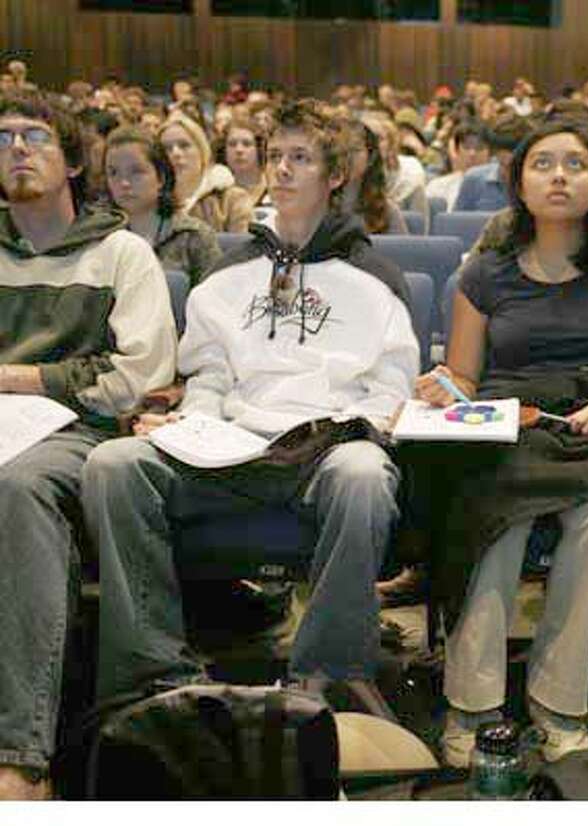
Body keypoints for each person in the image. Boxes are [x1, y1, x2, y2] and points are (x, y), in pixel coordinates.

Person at [82, 100, 420, 718]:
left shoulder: (376, 277)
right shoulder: (231, 271)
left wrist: (358, 429)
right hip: (229, 447)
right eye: (275, 158)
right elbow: (208, 373)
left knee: (365, 476)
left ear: (335, 174)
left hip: (324, 453)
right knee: (114, 464)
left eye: (301, 158)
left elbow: (391, 389)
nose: (282, 170)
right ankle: (154, 671)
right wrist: (192, 420)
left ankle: (327, 673)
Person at [421, 116, 588, 767]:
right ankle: (473, 704)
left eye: (575, 164)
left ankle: (557, 695)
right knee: (496, 517)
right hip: (513, 424)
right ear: (519, 181)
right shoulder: (485, 272)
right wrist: (445, 390)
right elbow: (464, 374)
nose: (560, 177)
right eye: (544, 164)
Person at [0, 92, 177, 800]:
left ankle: (21, 755)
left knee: (15, 486)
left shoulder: (121, 253)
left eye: (33, 136)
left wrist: (19, 379)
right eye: (2, 137)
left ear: (73, 161)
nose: (15, 149)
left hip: (72, 434)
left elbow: (138, 376)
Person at [104, 126, 222, 286]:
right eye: (113, 173)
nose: (124, 183)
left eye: (136, 171)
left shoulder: (193, 236)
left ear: (161, 178)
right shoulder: (101, 239)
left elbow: (216, 304)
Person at [158, 114, 253, 233]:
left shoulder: (232, 199)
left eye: (184, 145)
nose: (175, 153)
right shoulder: (151, 204)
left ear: (202, 151)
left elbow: (243, 248)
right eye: (167, 148)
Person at [452, 112, 531, 212]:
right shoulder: (474, 179)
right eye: (504, 166)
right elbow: (457, 224)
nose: (510, 174)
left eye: (516, 166)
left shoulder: (538, 183)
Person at [341, 119, 408, 235]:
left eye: (355, 150)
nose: (348, 157)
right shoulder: (313, 205)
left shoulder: (387, 211)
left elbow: (401, 252)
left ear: (370, 157)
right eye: (341, 150)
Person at [425, 118, 490, 211]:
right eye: (466, 147)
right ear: (457, 151)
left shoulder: (501, 189)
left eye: (479, 147)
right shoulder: (437, 187)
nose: (472, 153)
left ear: (489, 153)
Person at [217, 118, 273, 222]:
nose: (239, 150)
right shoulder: (217, 194)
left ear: (260, 149)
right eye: (232, 144)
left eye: (247, 144)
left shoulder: (275, 188)